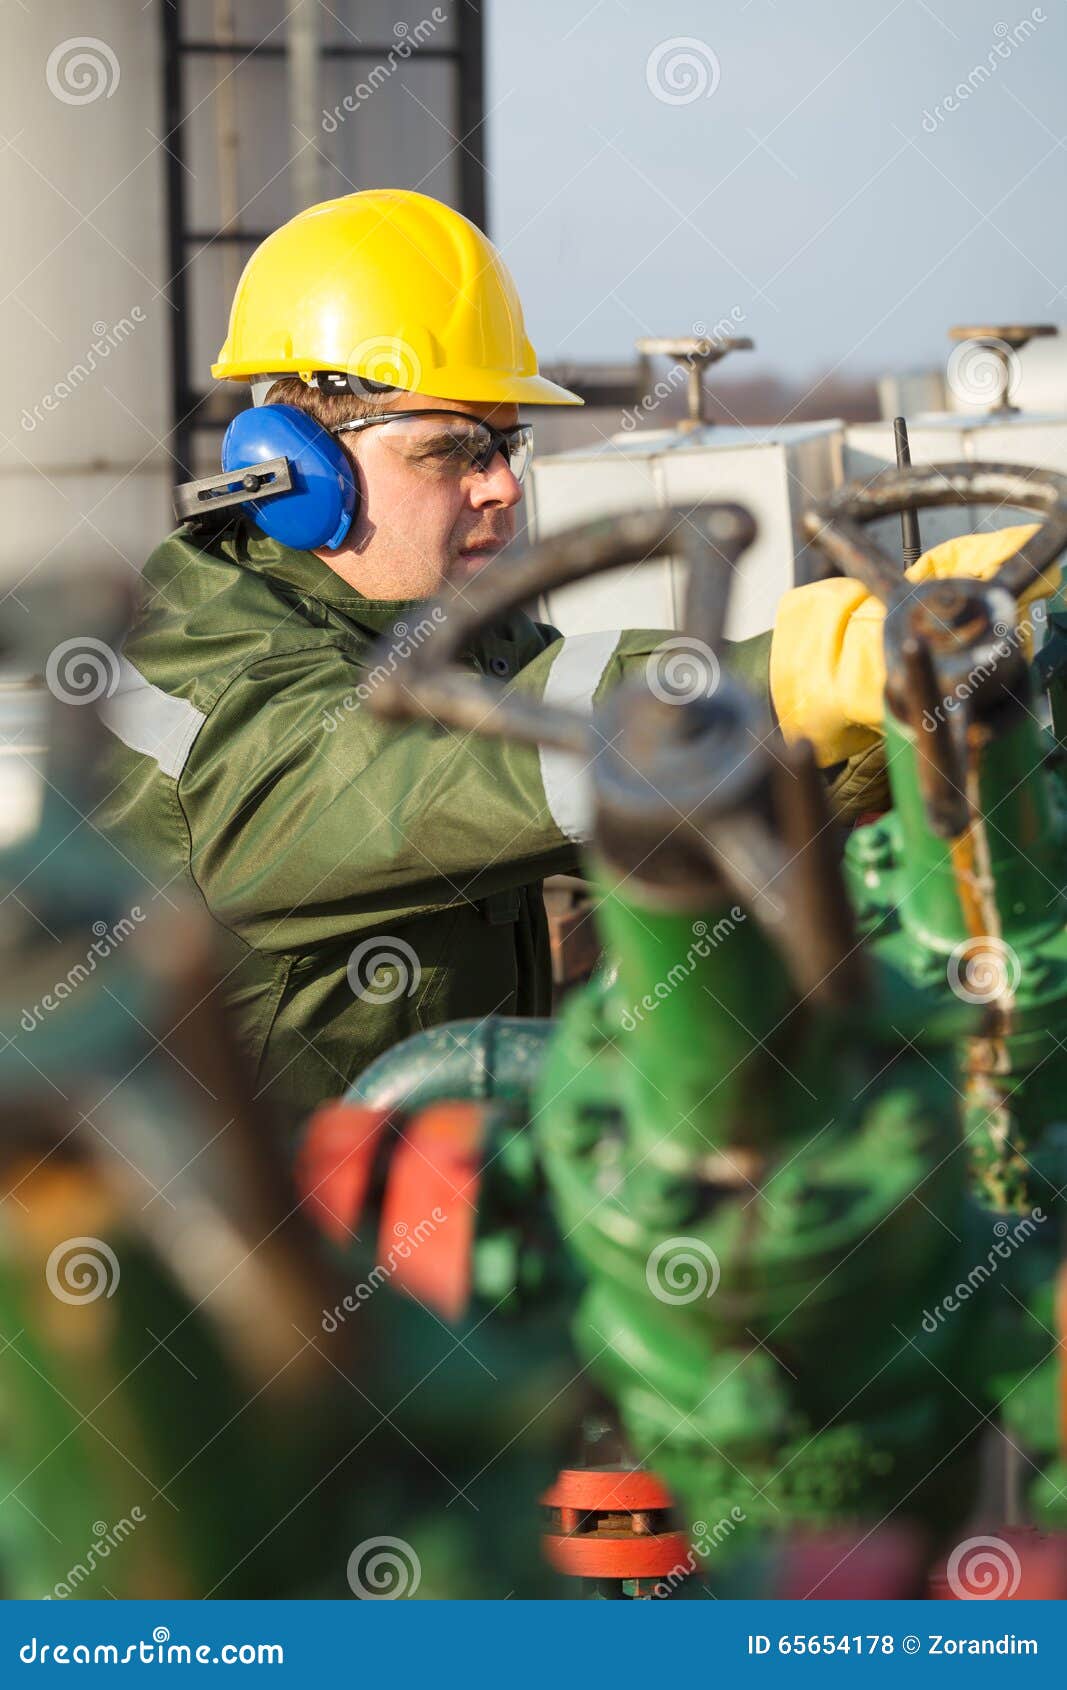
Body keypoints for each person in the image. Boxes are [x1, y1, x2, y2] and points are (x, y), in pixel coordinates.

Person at [95, 187, 1056, 1140]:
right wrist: (794, 668)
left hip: (463, 1180)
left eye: (507, 443)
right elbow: (427, 776)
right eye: (453, 450)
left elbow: (655, 787)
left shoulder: (449, 632)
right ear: (300, 474)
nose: (504, 485)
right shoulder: (210, 677)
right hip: (270, 1255)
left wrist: (888, 713)